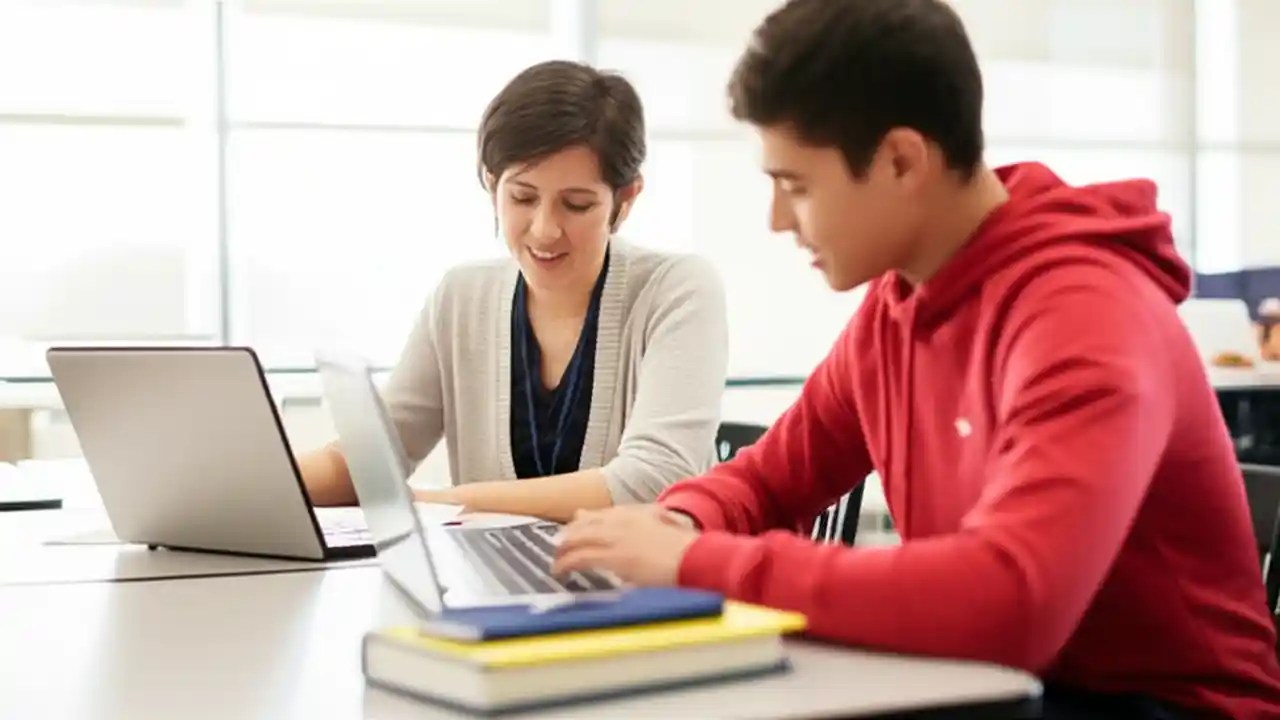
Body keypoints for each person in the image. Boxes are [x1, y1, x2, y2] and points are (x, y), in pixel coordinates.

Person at [552, 1, 1280, 716]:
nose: (776, 220)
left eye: (796, 185)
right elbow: (771, 481)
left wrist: (693, 565)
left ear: (902, 159)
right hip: (996, 684)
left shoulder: (1087, 315)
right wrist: (677, 525)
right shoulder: (899, 305)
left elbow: (1012, 602)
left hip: (1162, 705)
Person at [299, 60, 729, 522]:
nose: (545, 230)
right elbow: (370, 461)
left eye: (576, 205)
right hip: (489, 584)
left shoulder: (678, 290)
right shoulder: (460, 297)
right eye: (523, 198)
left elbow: (652, 481)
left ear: (625, 199)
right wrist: (258, 482)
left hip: (642, 588)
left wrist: (440, 502)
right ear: (492, 185)